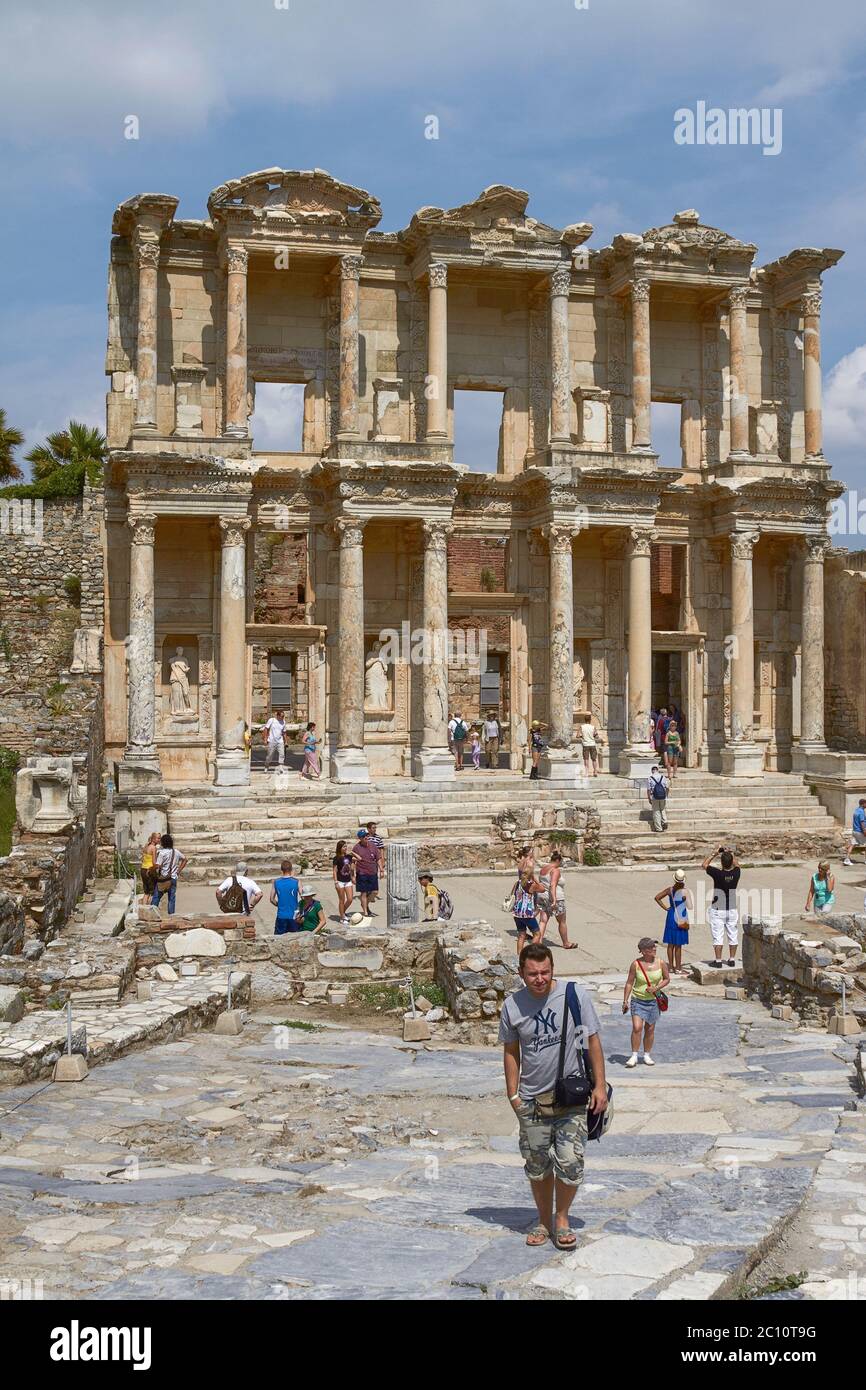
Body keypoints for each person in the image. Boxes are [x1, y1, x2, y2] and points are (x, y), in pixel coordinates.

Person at [499, 942, 607, 1250]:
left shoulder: (575, 996)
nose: (539, 978)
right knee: (537, 1164)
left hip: (570, 1096)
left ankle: (562, 1218)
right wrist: (513, 1096)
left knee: (571, 1162)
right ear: (521, 972)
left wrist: (600, 1086)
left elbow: (593, 1041)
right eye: (532, 973)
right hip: (532, 1099)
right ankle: (543, 1220)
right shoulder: (512, 1006)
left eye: (545, 972)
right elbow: (510, 1051)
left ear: (553, 970)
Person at [622, 936, 670, 1067]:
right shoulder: (636, 964)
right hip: (638, 1000)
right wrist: (625, 1000)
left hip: (653, 1001)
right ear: (643, 951)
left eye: (654, 946)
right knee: (637, 1028)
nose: (654, 949)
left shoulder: (661, 963)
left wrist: (656, 988)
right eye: (650, 947)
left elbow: (667, 979)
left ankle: (647, 1054)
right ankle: (634, 1055)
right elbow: (629, 983)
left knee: (650, 1029)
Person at [702, 846, 741, 967]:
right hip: (732, 908)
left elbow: (704, 864)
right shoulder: (736, 873)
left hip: (718, 909)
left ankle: (718, 960)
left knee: (717, 935)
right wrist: (730, 853)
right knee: (732, 935)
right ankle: (732, 959)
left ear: (722, 863)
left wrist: (715, 853)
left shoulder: (717, 873)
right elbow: (738, 864)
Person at [537, 850, 577, 949]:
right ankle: (566, 943)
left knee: (543, 921)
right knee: (561, 921)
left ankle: (539, 942)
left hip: (542, 896)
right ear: (558, 860)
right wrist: (554, 900)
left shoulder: (543, 869)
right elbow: (553, 885)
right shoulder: (555, 870)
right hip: (556, 898)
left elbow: (541, 882)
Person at [656, 869, 691, 975]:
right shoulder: (684, 891)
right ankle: (679, 968)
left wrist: (666, 908)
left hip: (671, 915)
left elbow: (657, 898)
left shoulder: (670, 890)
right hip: (680, 916)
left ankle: (671, 967)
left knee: (671, 944)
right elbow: (689, 905)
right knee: (678, 944)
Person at [151, 834, 187, 916]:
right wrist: (178, 871)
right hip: (173, 878)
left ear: (163, 843)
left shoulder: (162, 853)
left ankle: (152, 914)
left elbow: (158, 865)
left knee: (156, 897)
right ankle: (171, 916)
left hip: (163, 879)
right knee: (171, 899)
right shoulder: (176, 851)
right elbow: (185, 859)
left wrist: (151, 869)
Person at [512, 868, 545, 956]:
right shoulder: (531, 885)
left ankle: (519, 955)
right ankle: (530, 954)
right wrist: (536, 880)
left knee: (521, 935)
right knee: (537, 934)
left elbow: (512, 894)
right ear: (531, 875)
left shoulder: (517, 883)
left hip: (517, 913)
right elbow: (542, 889)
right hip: (527, 914)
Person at [350, 828, 380, 915]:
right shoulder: (356, 847)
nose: (366, 837)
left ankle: (365, 904)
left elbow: (378, 858)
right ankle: (365, 912)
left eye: (367, 835)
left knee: (375, 892)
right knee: (363, 893)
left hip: (372, 872)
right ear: (360, 838)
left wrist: (381, 869)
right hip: (362, 873)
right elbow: (353, 863)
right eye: (363, 836)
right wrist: (352, 876)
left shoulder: (373, 845)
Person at [270, 859, 300, 935]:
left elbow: (271, 899)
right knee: (295, 938)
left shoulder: (276, 882)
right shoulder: (297, 881)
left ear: (281, 870)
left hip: (281, 915)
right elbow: (303, 898)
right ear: (291, 869)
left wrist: (279, 904)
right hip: (293, 916)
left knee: (279, 939)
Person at [332, 839, 355, 924]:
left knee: (350, 899)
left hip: (348, 880)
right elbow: (334, 871)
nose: (346, 848)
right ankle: (342, 917)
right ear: (340, 848)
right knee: (342, 900)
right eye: (344, 846)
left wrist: (353, 853)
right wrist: (336, 882)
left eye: (346, 846)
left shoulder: (349, 857)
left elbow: (359, 858)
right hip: (340, 881)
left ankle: (342, 912)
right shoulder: (336, 858)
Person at [364, 821, 385, 906]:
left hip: (375, 860)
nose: (375, 829)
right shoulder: (366, 837)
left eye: (375, 827)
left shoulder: (378, 838)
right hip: (366, 860)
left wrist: (382, 859)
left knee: (374, 875)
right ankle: (368, 892)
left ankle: (372, 891)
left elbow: (381, 849)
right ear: (368, 829)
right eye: (373, 828)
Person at [646, 764, 670, 833]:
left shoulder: (650, 778)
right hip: (663, 796)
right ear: (657, 770)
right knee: (662, 809)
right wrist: (666, 795)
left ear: (652, 771)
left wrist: (649, 798)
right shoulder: (663, 777)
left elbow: (648, 789)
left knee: (656, 811)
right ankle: (665, 821)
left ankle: (659, 828)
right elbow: (667, 787)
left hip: (655, 797)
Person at [843, 799, 866, 865]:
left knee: (852, 845)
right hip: (860, 832)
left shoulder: (856, 810)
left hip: (855, 831)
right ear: (863, 804)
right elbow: (862, 822)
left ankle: (846, 859)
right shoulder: (861, 812)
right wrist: (864, 831)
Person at [140, 832, 161, 897]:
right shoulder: (153, 848)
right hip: (150, 870)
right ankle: (151, 907)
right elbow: (154, 862)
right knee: (153, 893)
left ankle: (144, 906)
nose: (159, 840)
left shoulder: (146, 846)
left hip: (143, 869)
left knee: (146, 893)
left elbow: (142, 859)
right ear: (153, 839)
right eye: (158, 838)